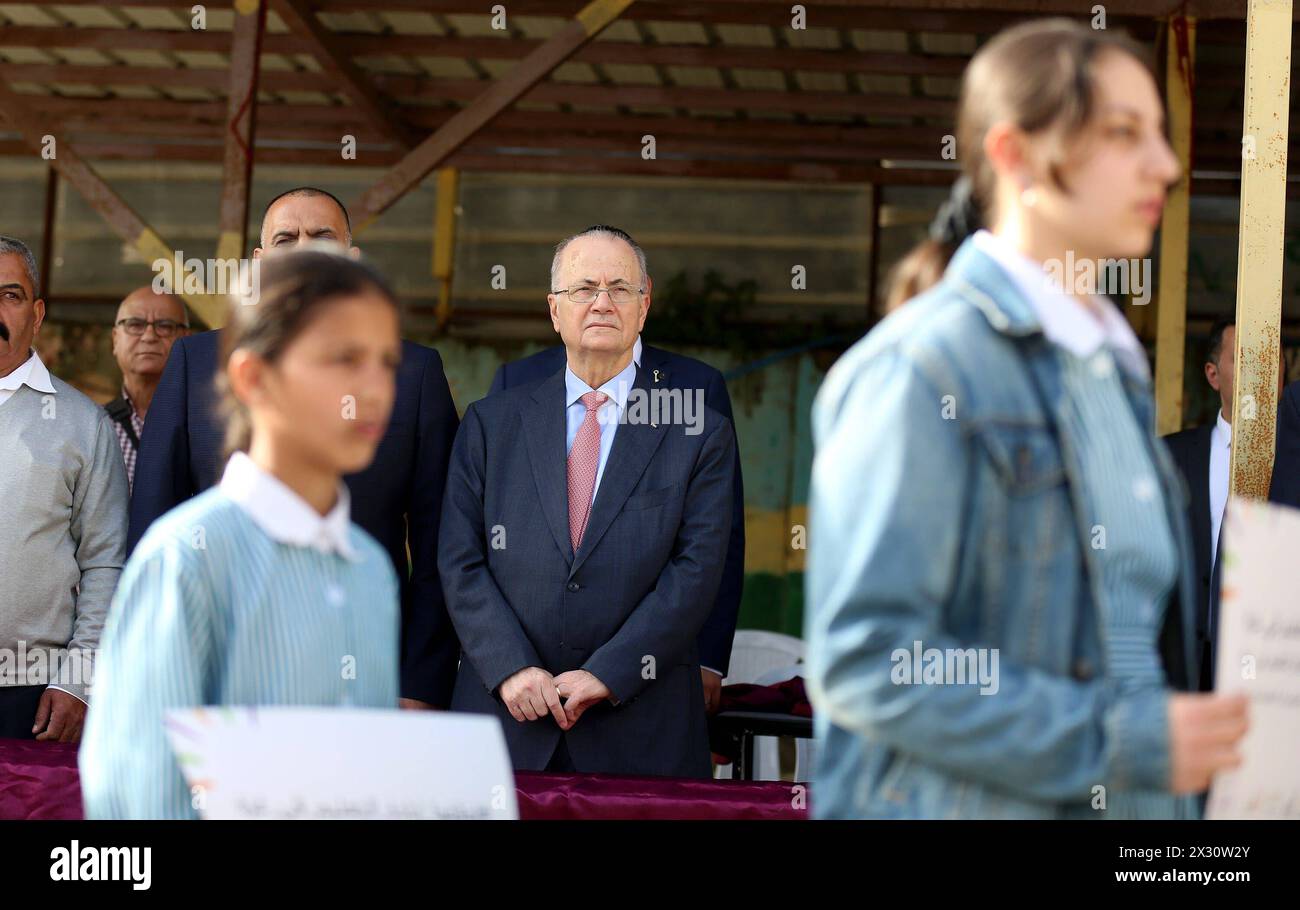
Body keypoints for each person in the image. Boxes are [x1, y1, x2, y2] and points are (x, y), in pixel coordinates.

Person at [805, 19, 1248, 819]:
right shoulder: (921, 368)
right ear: (1013, 155)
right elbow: (872, 665)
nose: (1167, 164)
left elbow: (1128, 654)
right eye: (1123, 133)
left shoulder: (1111, 370)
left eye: (1160, 133)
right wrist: (1126, 744)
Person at [80, 249, 404, 819]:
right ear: (253, 376)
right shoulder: (184, 559)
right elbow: (139, 802)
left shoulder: (371, 569)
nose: (373, 388)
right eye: (344, 358)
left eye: (387, 362)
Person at [127, 187, 460, 710]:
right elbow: (153, 507)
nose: (303, 248)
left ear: (351, 259)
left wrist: (417, 686)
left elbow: (444, 545)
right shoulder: (195, 363)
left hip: (366, 690)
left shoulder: (410, 374)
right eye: (286, 238)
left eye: (321, 237)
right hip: (218, 690)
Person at [439, 227, 737, 777]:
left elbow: (696, 571)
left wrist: (611, 673)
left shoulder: (698, 431)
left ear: (644, 307)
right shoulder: (490, 424)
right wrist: (511, 668)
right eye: (583, 289)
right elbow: (460, 559)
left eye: (620, 288)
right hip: (505, 721)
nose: (602, 302)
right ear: (555, 311)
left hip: (641, 728)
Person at [0, 235, 128, 741]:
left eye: (9, 295)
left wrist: (79, 680)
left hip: (31, 692)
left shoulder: (83, 422)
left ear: (37, 313)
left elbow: (106, 560)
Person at [105, 287, 189, 492]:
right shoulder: (93, 425)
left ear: (187, 339)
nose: (149, 336)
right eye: (135, 325)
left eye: (166, 326)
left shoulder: (205, 427)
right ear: (115, 339)